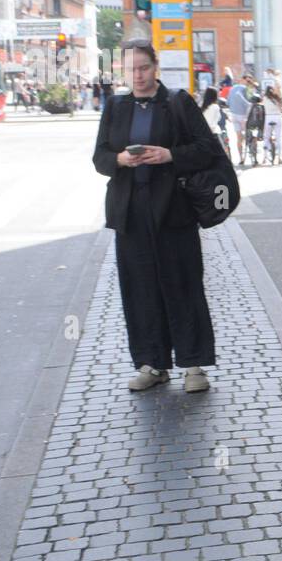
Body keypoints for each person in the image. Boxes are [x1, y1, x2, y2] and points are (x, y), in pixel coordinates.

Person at [92, 42, 222, 393]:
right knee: (140, 291)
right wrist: (120, 160)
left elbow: (208, 150)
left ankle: (194, 365)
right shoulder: (116, 106)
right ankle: (152, 364)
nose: (138, 75)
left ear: (155, 67)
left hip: (173, 212)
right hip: (130, 213)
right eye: (131, 69)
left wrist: (169, 155)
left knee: (183, 286)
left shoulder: (178, 103)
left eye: (144, 68)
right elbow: (99, 157)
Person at [226, 74, 251, 163]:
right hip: (243, 115)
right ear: (244, 80)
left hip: (234, 114)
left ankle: (241, 158)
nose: (248, 83)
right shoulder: (245, 89)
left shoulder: (232, 88)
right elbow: (249, 102)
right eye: (248, 81)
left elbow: (227, 101)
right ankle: (245, 140)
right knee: (246, 133)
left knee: (238, 137)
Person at [263, 81, 282, 165]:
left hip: (268, 117)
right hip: (277, 117)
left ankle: (264, 157)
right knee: (278, 137)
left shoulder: (264, 98)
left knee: (266, 137)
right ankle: (280, 157)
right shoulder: (276, 98)